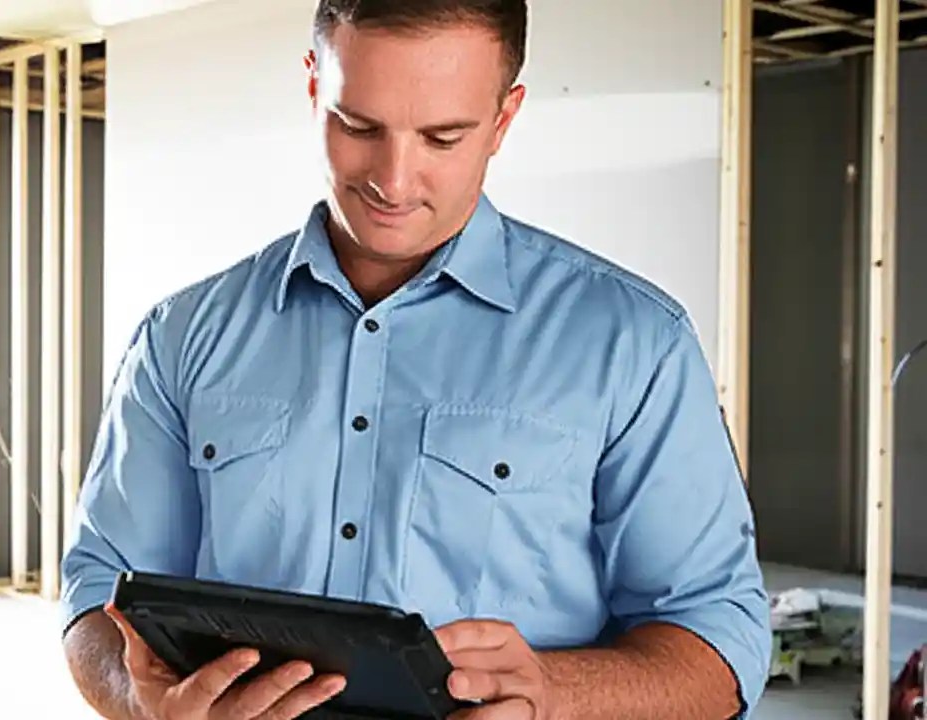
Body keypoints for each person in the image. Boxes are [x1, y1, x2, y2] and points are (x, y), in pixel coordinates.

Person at [60, 1, 772, 718]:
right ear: (314, 88)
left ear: (504, 119)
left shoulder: (634, 341)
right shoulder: (180, 335)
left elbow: (722, 642)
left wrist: (553, 692)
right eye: (359, 126)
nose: (393, 182)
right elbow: (98, 592)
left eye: (443, 136)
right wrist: (141, 701)